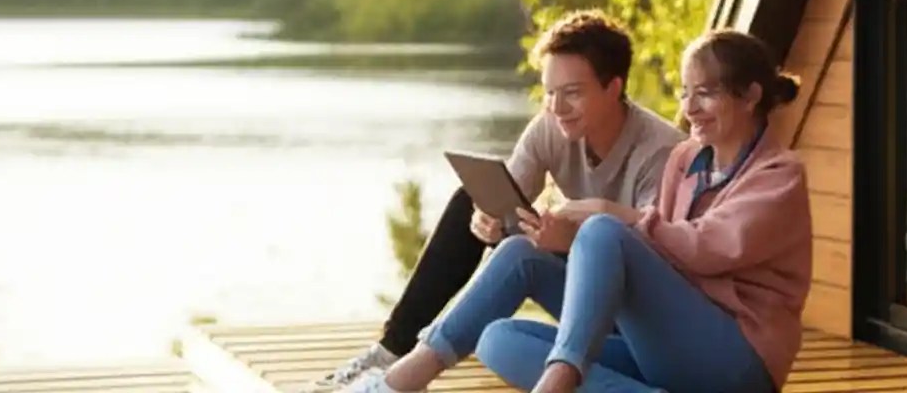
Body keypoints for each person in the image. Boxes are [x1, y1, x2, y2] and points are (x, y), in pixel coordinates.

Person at [341, 28, 812, 393]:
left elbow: (706, 249)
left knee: (603, 229)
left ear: (750, 96)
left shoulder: (779, 175)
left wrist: (614, 218)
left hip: (737, 361)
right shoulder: (687, 160)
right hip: (667, 347)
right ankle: (399, 380)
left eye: (705, 93)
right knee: (499, 328)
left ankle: (556, 385)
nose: (690, 108)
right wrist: (562, 237)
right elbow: (664, 260)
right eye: (685, 93)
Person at [303, 10, 685, 392]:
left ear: (613, 87)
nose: (557, 106)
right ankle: (393, 360)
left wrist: (575, 234)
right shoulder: (551, 127)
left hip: (640, 314)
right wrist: (486, 220)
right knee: (476, 206)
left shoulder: (662, 151)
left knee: (529, 274)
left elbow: (660, 255)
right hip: (582, 283)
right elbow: (510, 195)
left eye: (572, 93)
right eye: (550, 92)